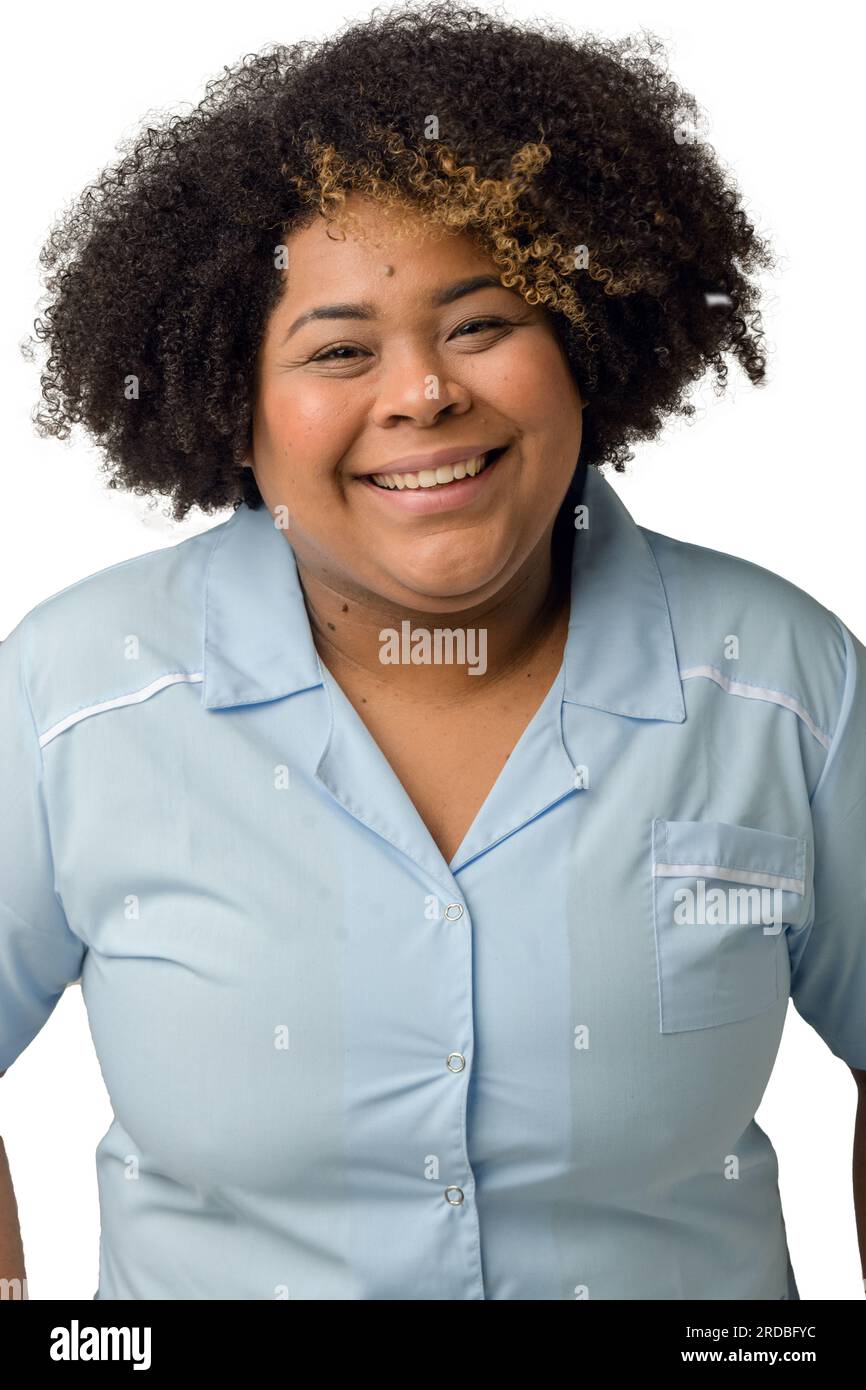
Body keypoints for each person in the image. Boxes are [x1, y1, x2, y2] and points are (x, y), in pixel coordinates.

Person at [1, 3, 864, 1301]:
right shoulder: (76, 694)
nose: (420, 394)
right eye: (338, 349)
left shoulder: (780, 683)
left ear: (581, 343)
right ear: (230, 405)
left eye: (480, 323)